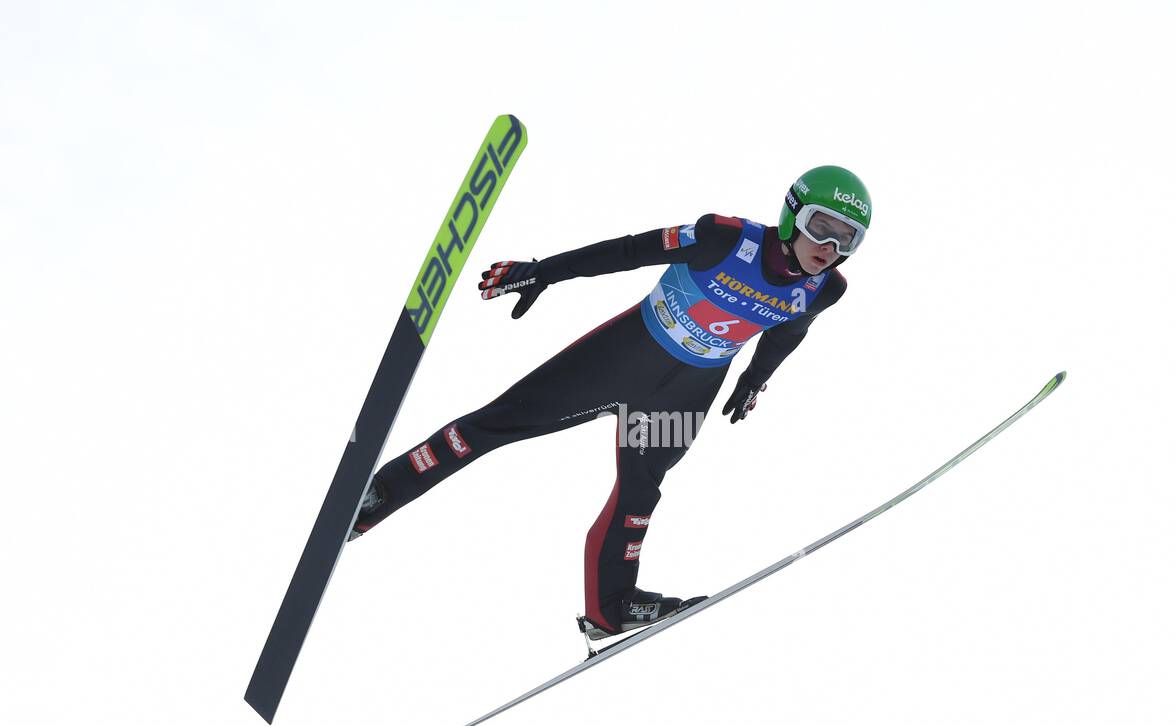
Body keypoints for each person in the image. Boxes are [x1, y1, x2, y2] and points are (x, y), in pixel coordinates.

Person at [350, 165, 871, 648]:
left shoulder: (826, 288)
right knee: (497, 424)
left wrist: (755, 380)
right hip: (623, 358)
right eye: (821, 226)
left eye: (847, 237)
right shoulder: (726, 238)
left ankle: (610, 608)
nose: (829, 245)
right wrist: (545, 272)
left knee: (641, 490)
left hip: (688, 391)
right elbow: (628, 251)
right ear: (791, 213)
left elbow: (787, 334)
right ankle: (379, 494)